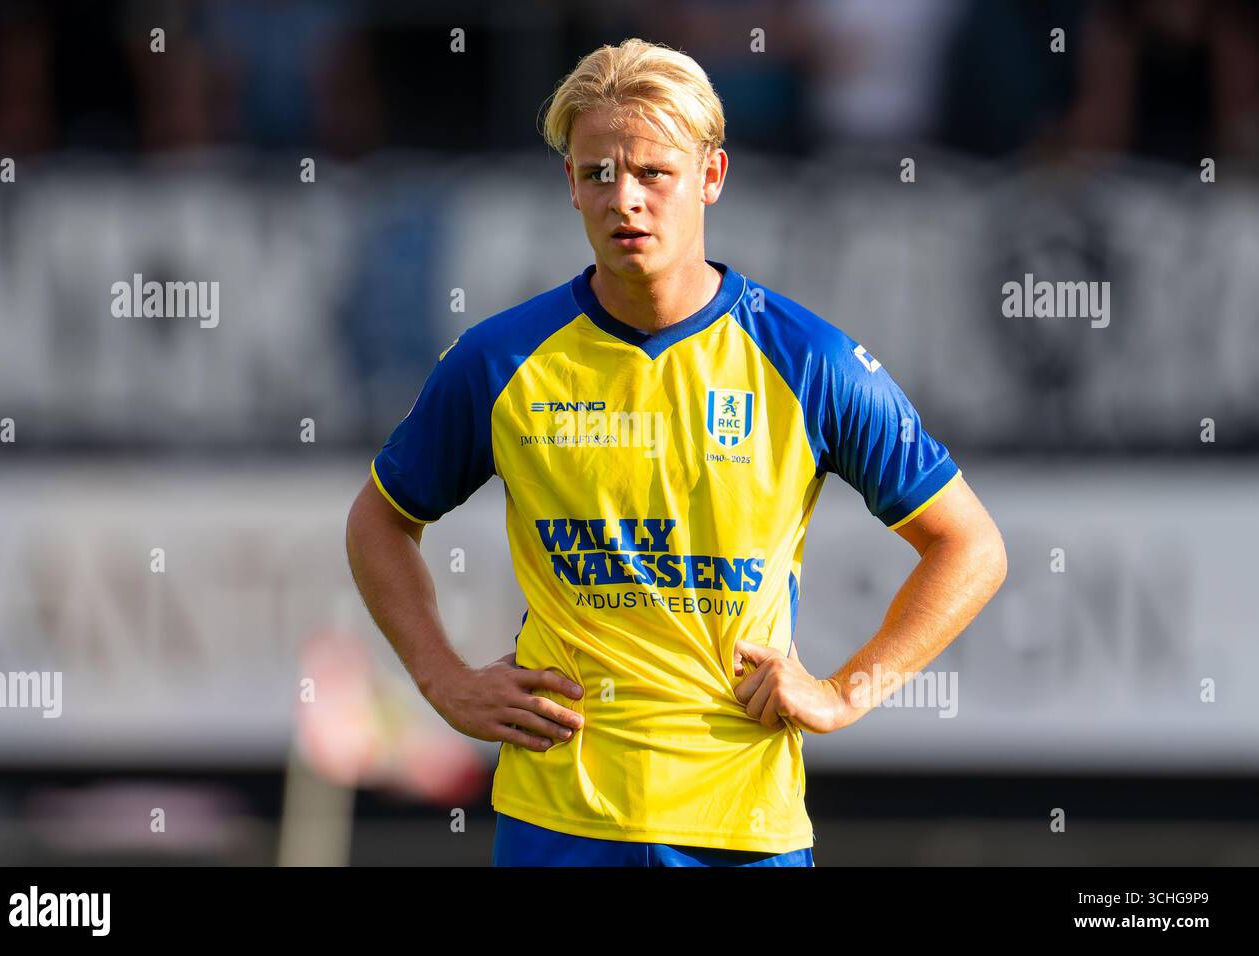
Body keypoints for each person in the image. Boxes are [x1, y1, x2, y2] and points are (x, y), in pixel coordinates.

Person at [345, 37, 1007, 867]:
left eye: (654, 173)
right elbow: (380, 519)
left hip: (742, 825)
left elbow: (969, 546)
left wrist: (846, 692)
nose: (626, 199)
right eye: (599, 174)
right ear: (572, 188)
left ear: (711, 177)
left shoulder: (807, 361)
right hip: (559, 820)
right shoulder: (502, 359)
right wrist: (443, 680)